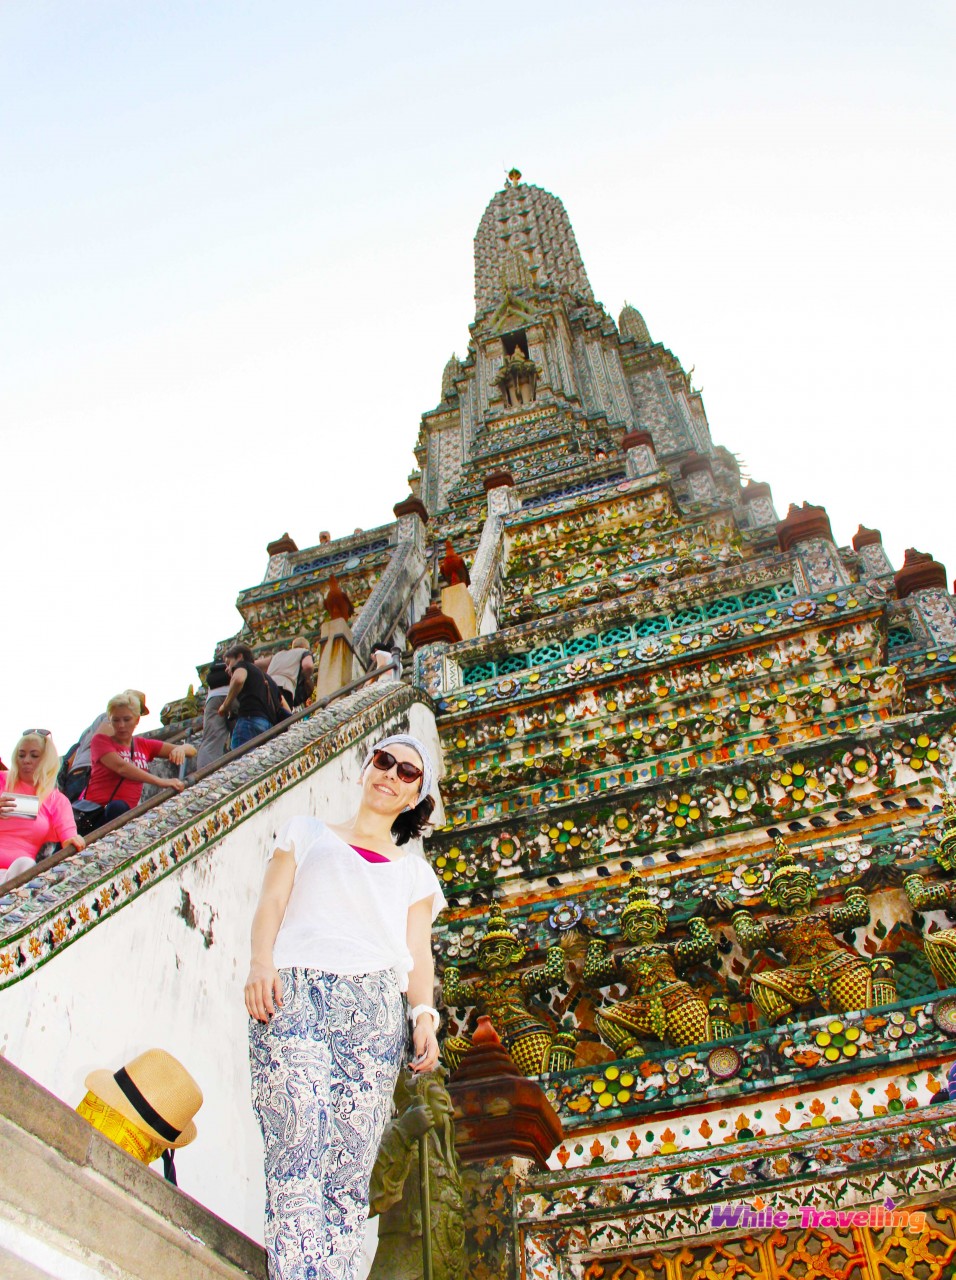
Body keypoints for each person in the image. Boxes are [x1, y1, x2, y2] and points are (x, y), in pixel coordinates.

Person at [245, 734, 445, 1280]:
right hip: (295, 990)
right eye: (384, 762)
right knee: (296, 1143)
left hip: (374, 1005)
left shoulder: (414, 873)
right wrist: (262, 962)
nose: (391, 775)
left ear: (414, 796)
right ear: (365, 768)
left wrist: (423, 1015)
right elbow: (271, 902)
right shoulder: (307, 833)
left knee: (348, 1168)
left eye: (407, 772)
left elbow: (417, 955)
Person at [85, 693, 194, 823]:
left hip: (126, 813)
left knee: (121, 809)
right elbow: (122, 768)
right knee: (117, 807)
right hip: (99, 815)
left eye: (126, 720)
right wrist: (161, 781)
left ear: (137, 720)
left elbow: (192, 750)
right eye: (116, 720)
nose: (121, 725)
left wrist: (180, 749)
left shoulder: (143, 745)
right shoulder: (101, 741)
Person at [1, 730, 85, 876]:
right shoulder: (2, 780)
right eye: (21, 755)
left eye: (34, 755)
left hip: (18, 872)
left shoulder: (57, 800)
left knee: (25, 864)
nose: (26, 760)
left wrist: (74, 840)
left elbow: (69, 838)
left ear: (47, 760)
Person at [60, 688, 151, 802]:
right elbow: (99, 744)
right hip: (87, 774)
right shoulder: (111, 719)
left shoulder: (100, 722)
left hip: (78, 774)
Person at [219, 645, 282, 748]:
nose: (227, 669)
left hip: (249, 721)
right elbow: (283, 705)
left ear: (239, 657)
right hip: (268, 727)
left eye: (228, 663)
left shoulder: (242, 665)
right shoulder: (269, 679)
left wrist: (225, 705)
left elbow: (239, 679)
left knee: (241, 761)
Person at [195, 663, 233, 770]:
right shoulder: (235, 668)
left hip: (213, 700)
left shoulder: (213, 683)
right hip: (230, 694)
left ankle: (205, 770)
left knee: (212, 737)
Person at [267, 637, 314, 709]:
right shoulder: (304, 651)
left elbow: (258, 663)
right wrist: (307, 679)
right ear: (306, 647)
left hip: (267, 685)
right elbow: (308, 665)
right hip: (284, 687)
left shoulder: (278, 654)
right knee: (284, 715)